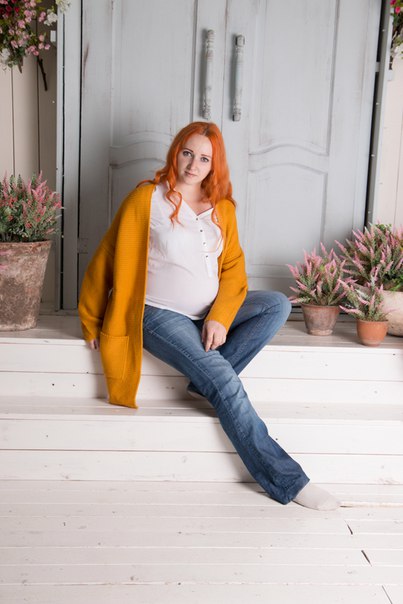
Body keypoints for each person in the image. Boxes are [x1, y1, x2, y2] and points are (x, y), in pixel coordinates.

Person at [79, 121, 340, 511]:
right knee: (226, 383)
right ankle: (288, 481)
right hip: (159, 314)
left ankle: (204, 382)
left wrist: (219, 316)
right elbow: (106, 258)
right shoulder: (146, 199)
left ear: (214, 165)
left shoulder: (222, 208)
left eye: (204, 158)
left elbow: (233, 268)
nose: (193, 164)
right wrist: (91, 318)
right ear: (176, 152)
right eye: (187, 153)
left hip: (206, 315)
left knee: (277, 305)